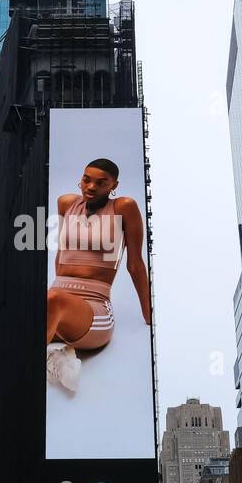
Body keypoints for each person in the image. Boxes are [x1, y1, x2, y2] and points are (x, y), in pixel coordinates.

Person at [46, 158, 151, 393]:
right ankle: (55, 356)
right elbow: (61, 254)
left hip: (94, 309)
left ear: (114, 186)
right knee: (43, 298)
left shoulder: (123, 207)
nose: (91, 187)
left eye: (101, 183)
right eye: (87, 180)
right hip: (58, 302)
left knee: (53, 299)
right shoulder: (66, 203)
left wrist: (148, 316)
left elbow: (135, 264)